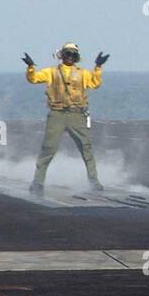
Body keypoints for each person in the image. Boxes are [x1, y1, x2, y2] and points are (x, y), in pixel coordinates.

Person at [23, 42, 109, 196]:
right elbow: (34, 78)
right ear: (62, 55)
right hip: (57, 114)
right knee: (48, 149)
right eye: (67, 54)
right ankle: (38, 182)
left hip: (77, 114)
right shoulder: (51, 72)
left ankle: (94, 182)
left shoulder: (83, 73)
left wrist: (98, 67)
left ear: (76, 57)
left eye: (72, 54)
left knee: (86, 148)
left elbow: (95, 83)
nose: (69, 57)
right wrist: (30, 67)